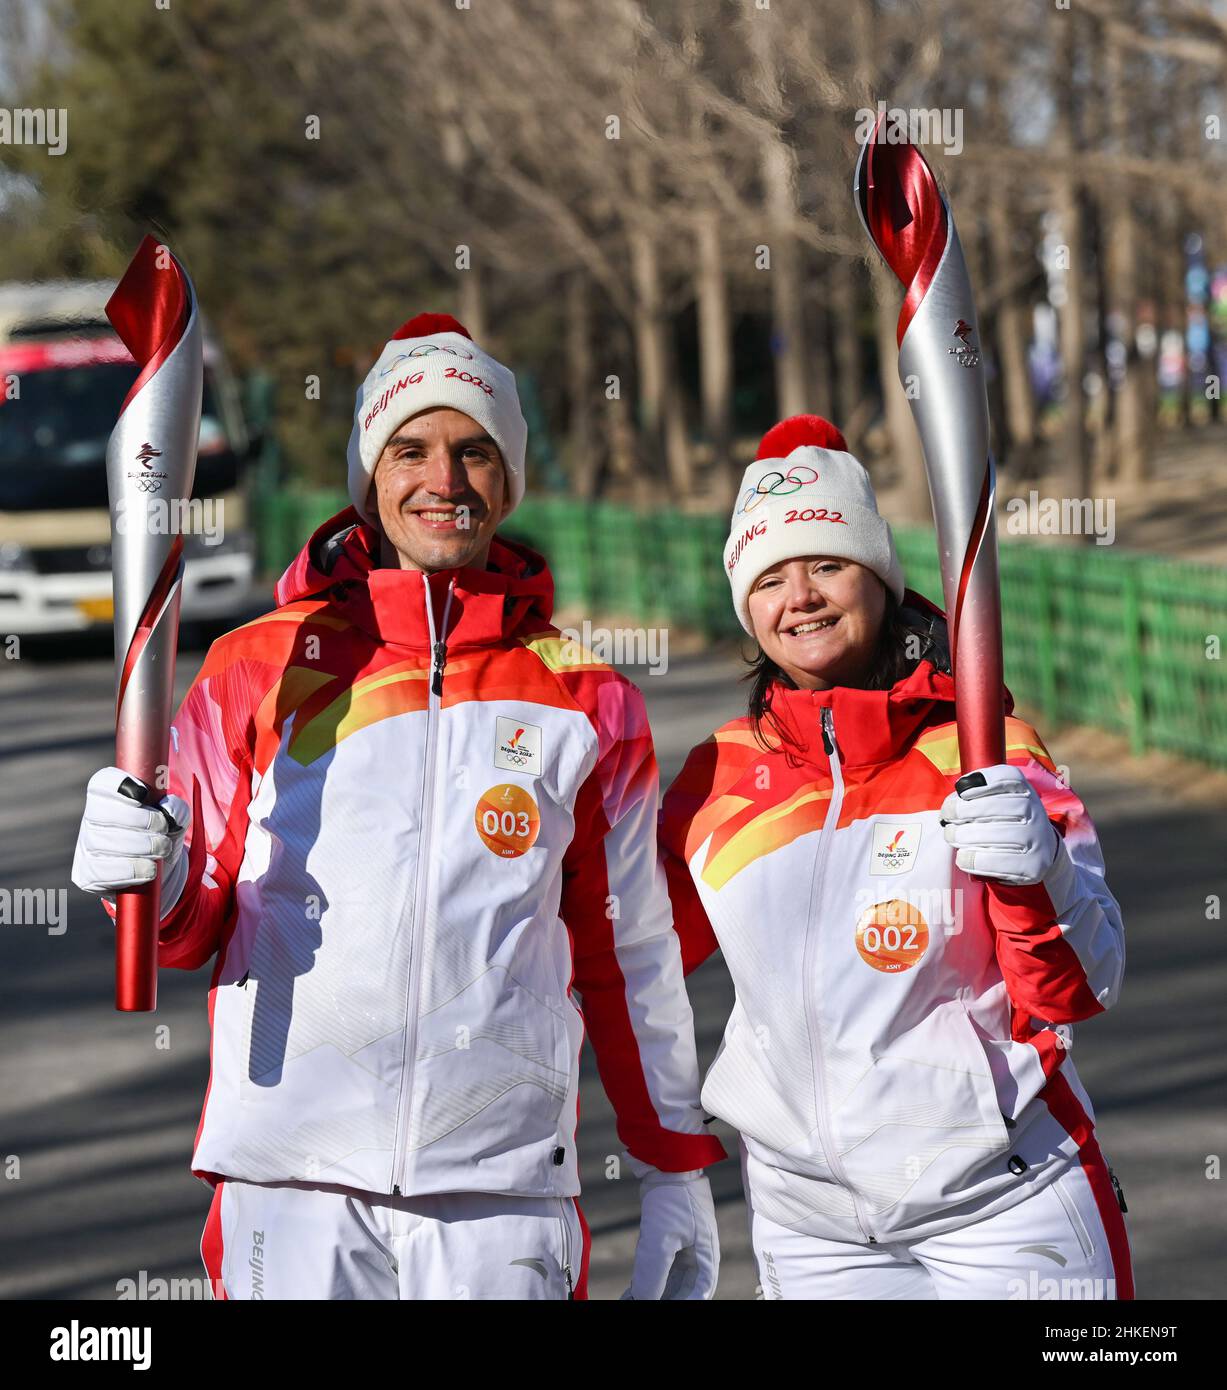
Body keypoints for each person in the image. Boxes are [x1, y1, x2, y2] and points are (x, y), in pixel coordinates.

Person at [72, 312, 725, 1301]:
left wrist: (672, 1163)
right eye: (410, 449)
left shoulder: (587, 698)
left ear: (508, 477)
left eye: (475, 451)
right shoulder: (262, 663)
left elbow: (629, 955)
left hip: (501, 1190)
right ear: (370, 475)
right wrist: (146, 868)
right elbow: (188, 919)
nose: (444, 480)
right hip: (290, 1174)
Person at [660, 414, 1132, 1301]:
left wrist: (1044, 875)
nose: (798, 595)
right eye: (768, 577)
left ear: (878, 577)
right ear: (744, 606)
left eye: (827, 564)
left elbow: (1082, 984)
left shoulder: (986, 751)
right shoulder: (718, 779)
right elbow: (622, 955)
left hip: (1001, 1202)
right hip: (811, 1229)